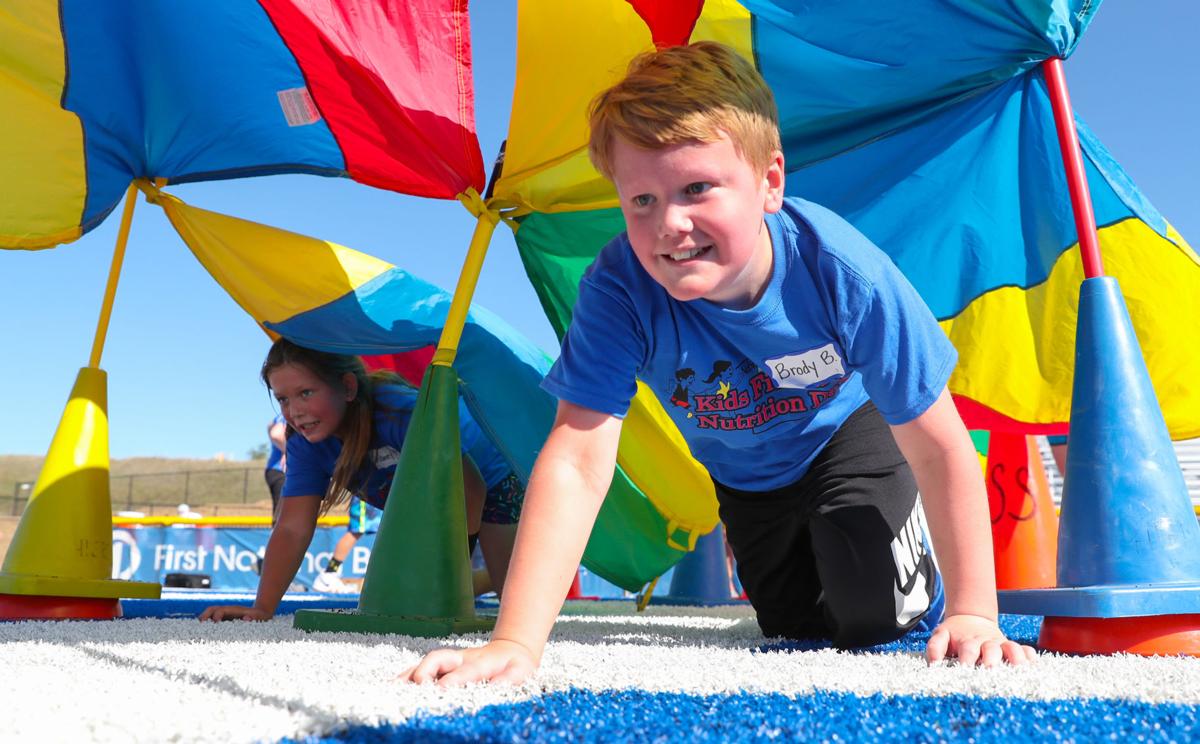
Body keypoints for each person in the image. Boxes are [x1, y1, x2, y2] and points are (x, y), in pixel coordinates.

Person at [402, 41, 1034, 685]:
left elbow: (939, 447)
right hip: (746, 476)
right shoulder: (618, 290)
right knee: (794, 628)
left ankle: (903, 557)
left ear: (770, 183)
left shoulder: (842, 273)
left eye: (697, 188)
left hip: (847, 437)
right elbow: (577, 458)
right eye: (640, 201)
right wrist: (516, 642)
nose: (669, 224)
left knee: (873, 618)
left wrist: (976, 612)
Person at [199, 339, 524, 621]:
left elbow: (471, 490)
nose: (295, 411)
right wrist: (262, 607)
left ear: (349, 387)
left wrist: (448, 579)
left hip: (496, 480)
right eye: (283, 399)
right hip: (427, 499)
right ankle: (482, 580)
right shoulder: (303, 442)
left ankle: (484, 580)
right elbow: (292, 527)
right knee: (396, 593)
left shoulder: (399, 412)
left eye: (306, 393)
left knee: (514, 596)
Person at [264, 414, 287, 524]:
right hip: (280, 470)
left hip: (274, 470)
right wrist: (289, 451)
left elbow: (269, 427)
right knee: (283, 514)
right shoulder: (289, 414)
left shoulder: (280, 416)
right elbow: (276, 434)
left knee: (281, 513)